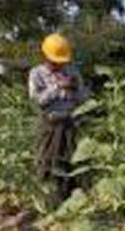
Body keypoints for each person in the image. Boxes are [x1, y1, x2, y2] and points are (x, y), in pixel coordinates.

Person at [28, 33, 84, 204]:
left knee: (70, 163)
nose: (59, 64)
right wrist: (57, 86)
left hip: (70, 123)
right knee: (46, 162)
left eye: (61, 61)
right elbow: (37, 100)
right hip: (49, 124)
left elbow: (84, 97)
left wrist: (75, 88)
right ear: (45, 56)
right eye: (56, 60)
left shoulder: (72, 72)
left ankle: (68, 203)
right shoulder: (36, 74)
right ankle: (45, 202)